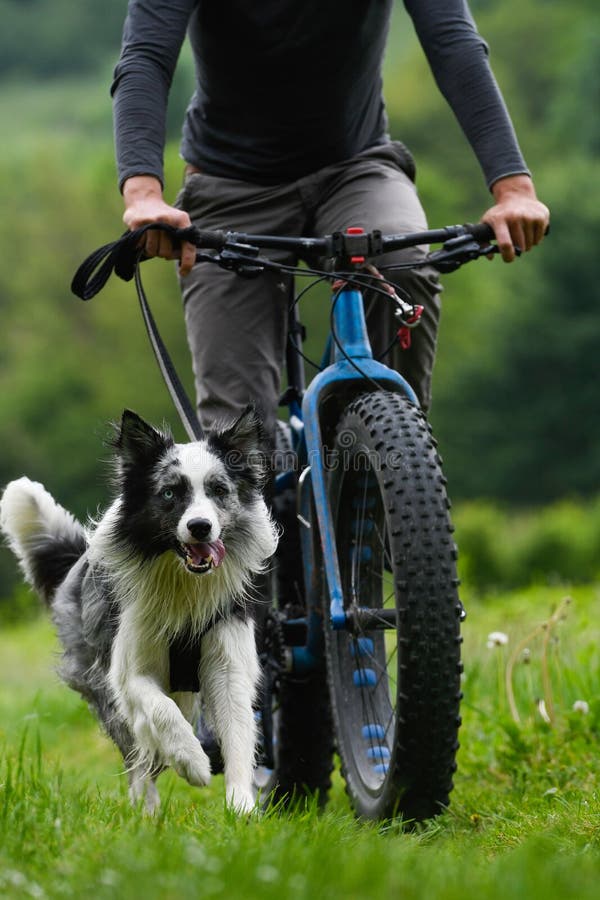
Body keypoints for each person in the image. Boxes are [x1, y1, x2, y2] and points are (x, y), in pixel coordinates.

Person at [112, 0, 549, 439]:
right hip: (230, 185)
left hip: (356, 169)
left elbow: (453, 41)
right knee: (236, 439)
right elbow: (146, 55)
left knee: (403, 266)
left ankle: (393, 456)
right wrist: (144, 194)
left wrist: (512, 187)